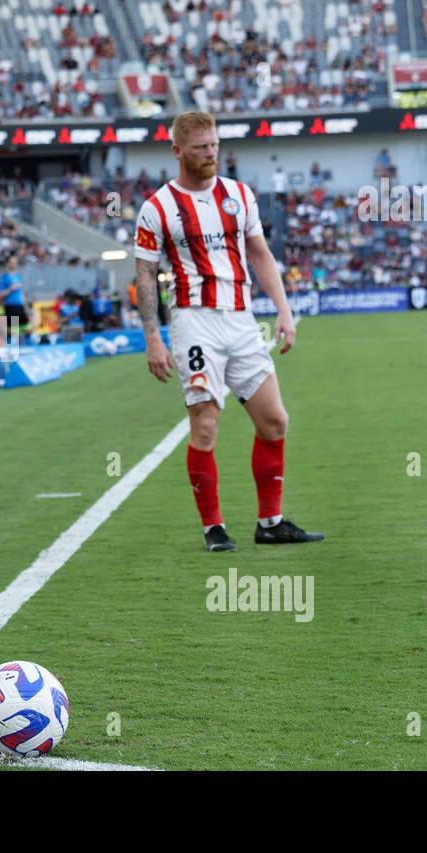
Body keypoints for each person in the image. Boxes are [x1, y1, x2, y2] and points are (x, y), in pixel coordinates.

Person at [134, 111, 324, 552]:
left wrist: (283, 310)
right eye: (201, 148)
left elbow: (260, 255)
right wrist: (153, 337)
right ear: (178, 151)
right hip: (193, 321)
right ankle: (213, 527)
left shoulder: (239, 195)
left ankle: (270, 521)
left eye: (215, 145)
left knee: (275, 420)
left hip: (241, 320)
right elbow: (145, 275)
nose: (211, 154)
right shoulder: (157, 207)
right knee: (205, 423)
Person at [0, 255, 26, 339]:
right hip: (11, 306)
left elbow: (21, 293)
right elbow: (0, 294)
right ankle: (13, 348)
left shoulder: (18, 276)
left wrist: (24, 305)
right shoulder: (3, 277)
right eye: (12, 262)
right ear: (7, 263)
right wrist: (10, 288)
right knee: (13, 330)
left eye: (15, 262)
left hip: (20, 306)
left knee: (26, 328)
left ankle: (24, 347)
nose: (14, 264)